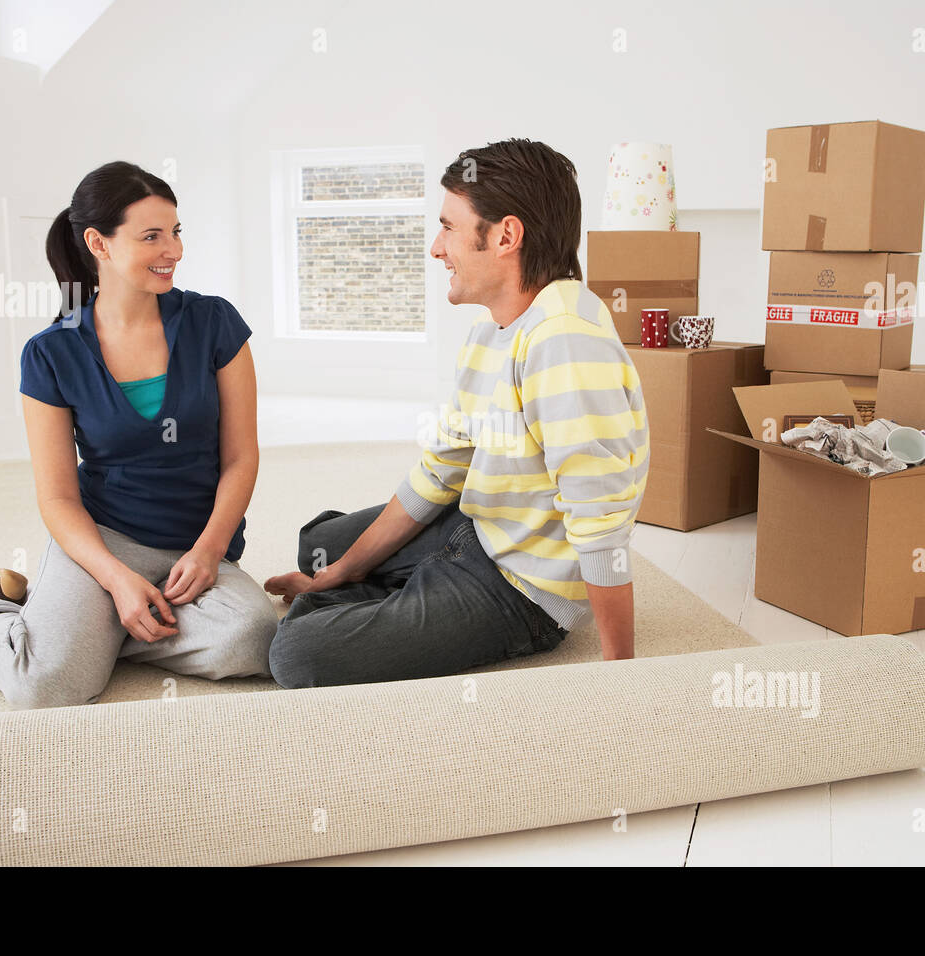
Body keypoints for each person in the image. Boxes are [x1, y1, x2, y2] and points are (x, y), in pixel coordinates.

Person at [264, 138, 649, 688]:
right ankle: (400, 586)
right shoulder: (492, 329)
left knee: (296, 654)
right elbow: (442, 466)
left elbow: (600, 523)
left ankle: (413, 593)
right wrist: (343, 572)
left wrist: (623, 676)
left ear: (505, 236)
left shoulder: (564, 343)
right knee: (319, 549)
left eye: (448, 226)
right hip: (479, 524)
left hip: (519, 589)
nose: (435, 247)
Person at [0, 160, 279, 709]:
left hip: (196, 543)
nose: (172, 249)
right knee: (44, 686)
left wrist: (209, 549)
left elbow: (241, 456)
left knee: (254, 640)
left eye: (176, 232)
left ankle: (83, 635)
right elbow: (56, 495)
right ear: (97, 243)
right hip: (103, 540)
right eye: (151, 236)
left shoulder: (214, 322)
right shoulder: (51, 353)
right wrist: (116, 580)